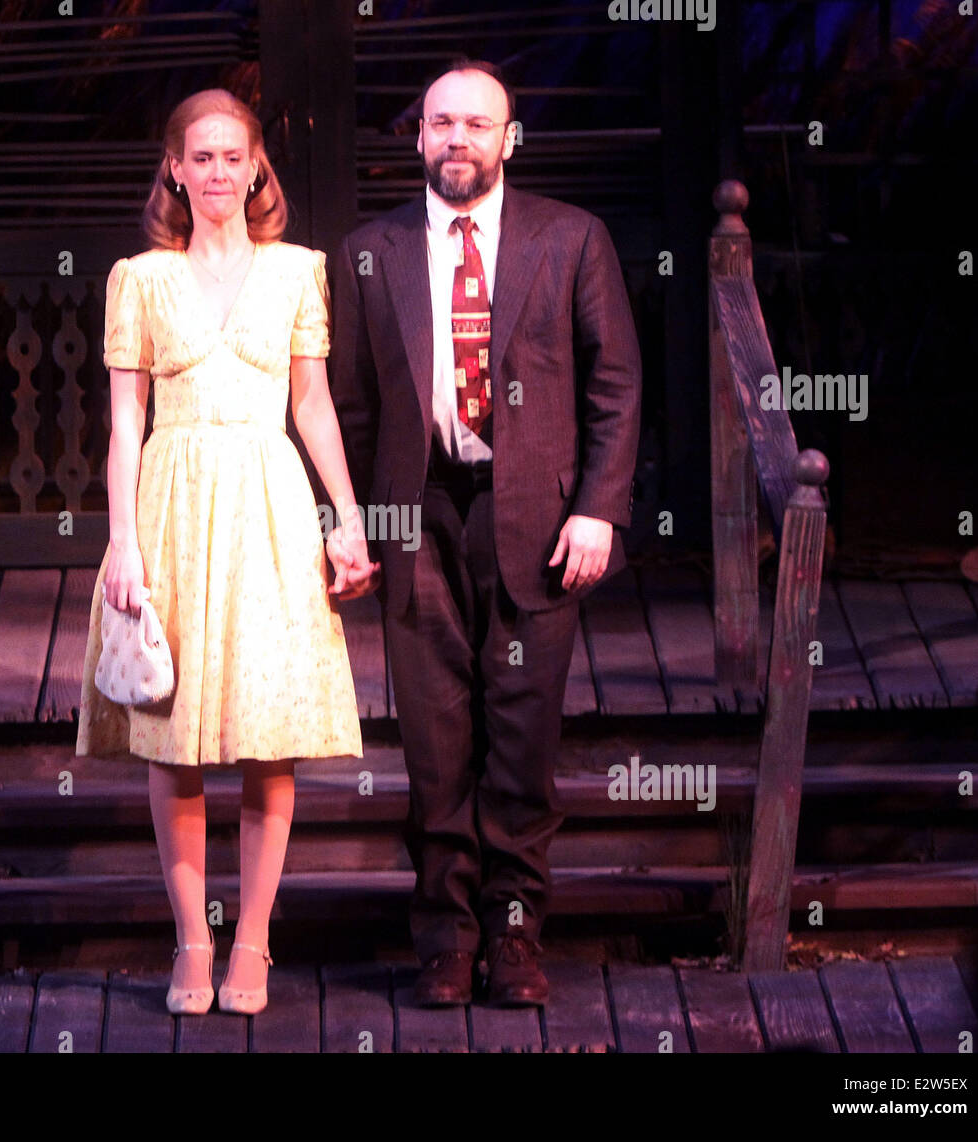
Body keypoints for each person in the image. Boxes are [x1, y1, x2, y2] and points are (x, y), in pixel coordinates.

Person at [328, 60, 642, 1007]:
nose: (457, 139)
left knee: (521, 741)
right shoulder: (367, 252)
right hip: (415, 516)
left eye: (477, 124)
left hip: (537, 521)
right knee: (433, 743)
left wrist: (600, 506)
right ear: (417, 137)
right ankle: (445, 939)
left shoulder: (573, 239)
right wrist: (345, 525)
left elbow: (615, 386)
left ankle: (515, 937)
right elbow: (343, 407)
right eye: (440, 123)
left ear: (508, 139)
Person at [75, 88, 379, 1016]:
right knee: (174, 739)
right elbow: (124, 424)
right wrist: (122, 540)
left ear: (257, 168)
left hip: (268, 502)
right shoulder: (140, 278)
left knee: (264, 732)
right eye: (197, 158)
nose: (214, 173)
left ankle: (254, 940)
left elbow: (313, 404)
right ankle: (191, 943)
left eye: (230, 157)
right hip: (171, 500)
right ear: (173, 167)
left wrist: (348, 515)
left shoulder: (298, 271)